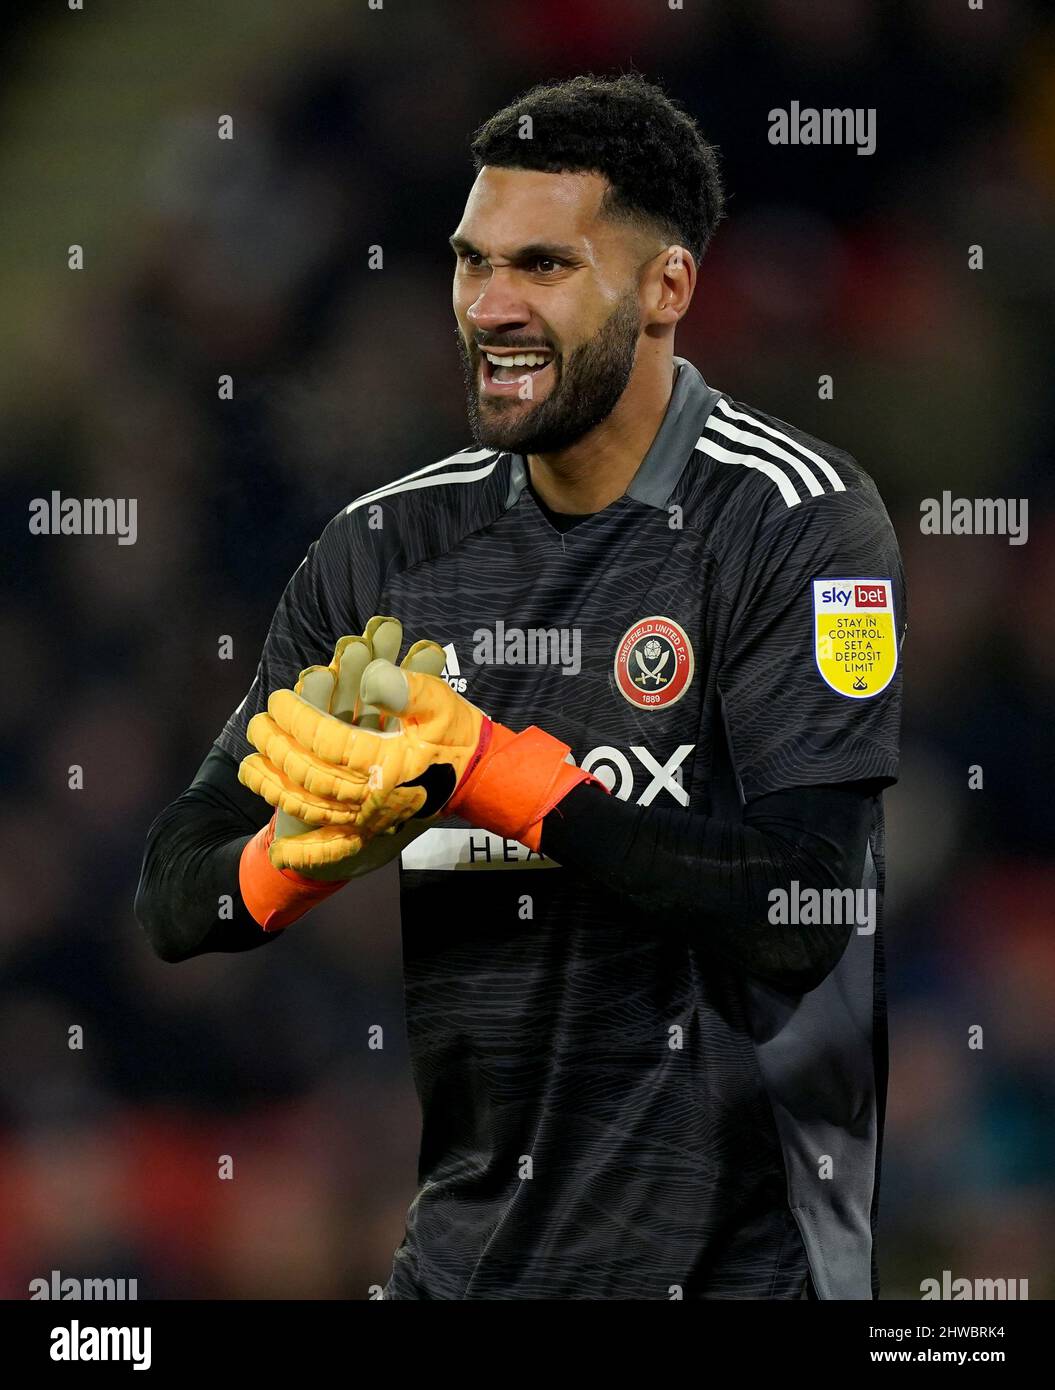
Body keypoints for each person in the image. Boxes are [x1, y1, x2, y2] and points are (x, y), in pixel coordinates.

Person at [135, 73, 905, 1301]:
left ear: (665, 291)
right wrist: (309, 848)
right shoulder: (382, 549)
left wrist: (501, 778)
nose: (488, 305)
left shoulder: (793, 522)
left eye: (542, 266)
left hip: (744, 1278)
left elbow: (802, 910)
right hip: (464, 1272)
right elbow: (177, 900)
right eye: (469, 262)